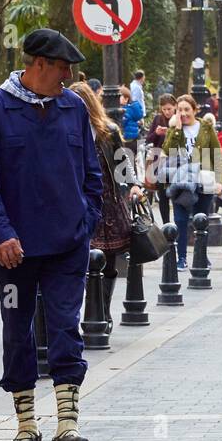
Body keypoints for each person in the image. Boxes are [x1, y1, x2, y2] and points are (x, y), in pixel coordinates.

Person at [0, 29, 103, 441]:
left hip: (68, 244)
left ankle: (68, 425)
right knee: (17, 333)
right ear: (39, 65)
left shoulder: (72, 108)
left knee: (67, 327)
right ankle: (26, 426)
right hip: (14, 249)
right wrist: (0, 232)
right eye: (63, 68)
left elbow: (91, 173)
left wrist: (86, 220)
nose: (68, 77)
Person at [70, 81, 145, 325]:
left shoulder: (107, 131)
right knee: (84, 259)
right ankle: (93, 308)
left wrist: (134, 185)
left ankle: (103, 309)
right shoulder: (63, 131)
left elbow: (122, 162)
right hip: (78, 204)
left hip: (108, 203)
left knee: (109, 259)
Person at [160, 94, 222, 269]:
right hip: (181, 180)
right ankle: (181, 258)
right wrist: (177, 130)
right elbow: (167, 151)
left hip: (203, 179)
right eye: (180, 110)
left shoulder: (206, 127)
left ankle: (201, 255)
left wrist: (219, 180)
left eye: (187, 109)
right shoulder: (173, 129)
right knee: (179, 219)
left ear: (195, 110)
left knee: (201, 219)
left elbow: (216, 154)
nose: (184, 113)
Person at [143, 94, 177, 223]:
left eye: (169, 109)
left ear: (175, 106)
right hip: (160, 162)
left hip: (175, 160)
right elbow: (149, 139)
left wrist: (170, 132)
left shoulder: (179, 119)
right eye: (164, 109)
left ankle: (177, 224)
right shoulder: (158, 119)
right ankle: (166, 224)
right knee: (163, 196)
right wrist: (156, 133)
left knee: (176, 193)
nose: (167, 112)